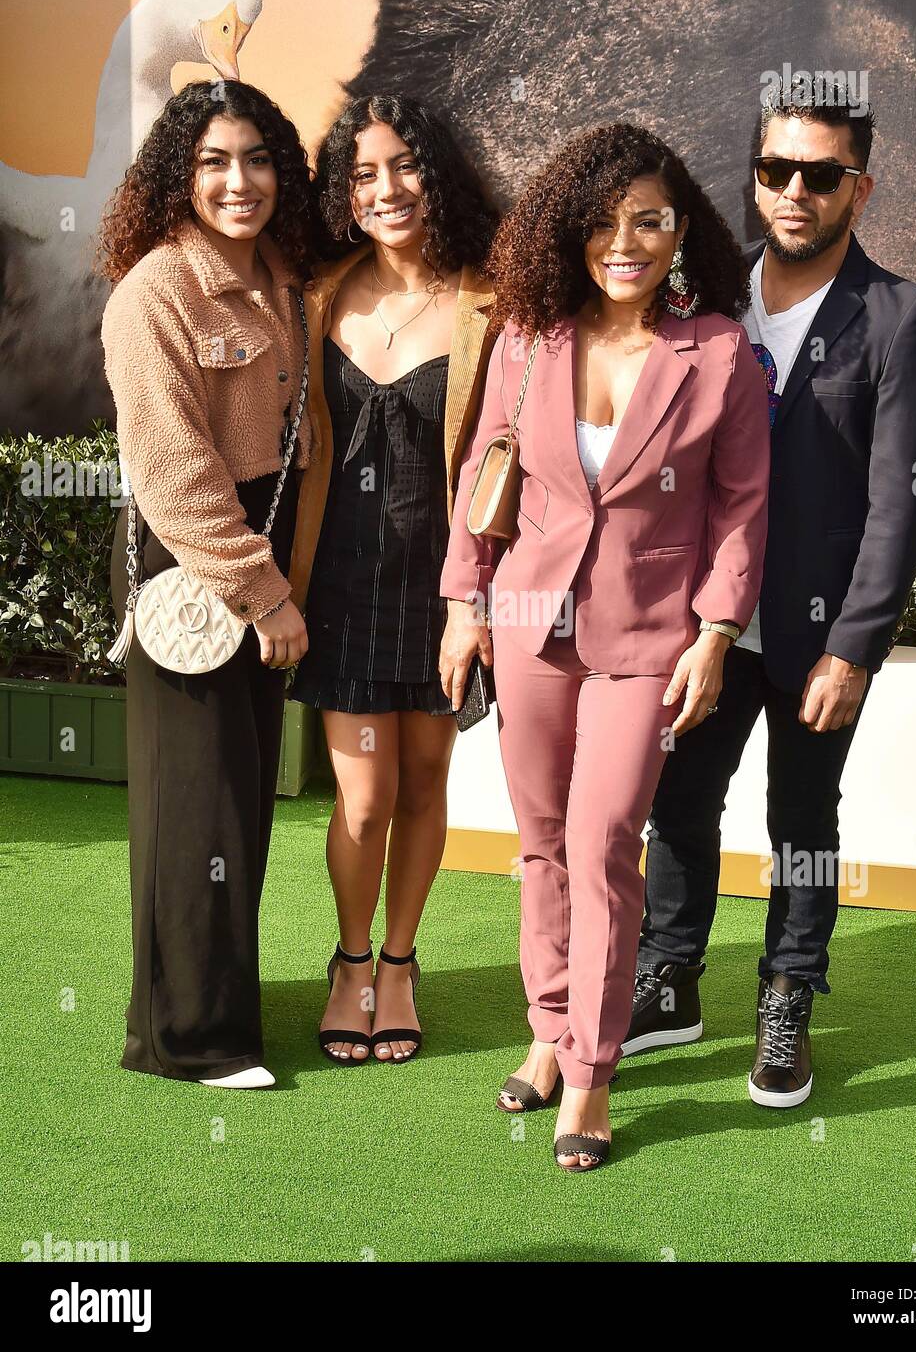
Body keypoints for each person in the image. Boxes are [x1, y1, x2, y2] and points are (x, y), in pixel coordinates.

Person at [439, 123, 770, 1169]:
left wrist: (717, 631)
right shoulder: (528, 337)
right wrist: (465, 601)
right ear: (570, 230)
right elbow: (485, 476)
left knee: (603, 841)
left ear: (682, 233)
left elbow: (742, 507)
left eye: (650, 220)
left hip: (648, 637)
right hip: (530, 624)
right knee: (537, 840)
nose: (625, 242)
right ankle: (545, 1030)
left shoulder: (718, 351)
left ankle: (590, 1071)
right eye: (604, 221)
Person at [627, 83, 916, 1108]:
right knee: (679, 800)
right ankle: (669, 980)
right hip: (704, 627)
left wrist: (854, 646)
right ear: (755, 175)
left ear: (860, 188)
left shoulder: (899, 317)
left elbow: (900, 505)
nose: (794, 192)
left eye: (820, 175)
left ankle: (786, 1002)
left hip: (816, 634)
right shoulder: (700, 301)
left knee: (801, 814)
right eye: (776, 170)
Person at [97, 81, 316, 1088]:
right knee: (198, 806)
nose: (240, 181)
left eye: (259, 158)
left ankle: (202, 998)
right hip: (198, 565)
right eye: (214, 162)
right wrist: (260, 591)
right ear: (177, 178)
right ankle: (187, 1040)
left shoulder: (285, 274)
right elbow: (175, 472)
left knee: (238, 799)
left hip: (260, 547)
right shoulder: (155, 292)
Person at [286, 96, 499, 1066]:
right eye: (363, 174)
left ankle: (402, 966)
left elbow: (507, 460)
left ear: (437, 172)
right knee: (363, 796)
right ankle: (348, 960)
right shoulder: (315, 293)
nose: (386, 190)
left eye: (404, 165)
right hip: (339, 584)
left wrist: (479, 600)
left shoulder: (492, 302)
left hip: (444, 589)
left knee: (424, 783)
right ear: (342, 193)